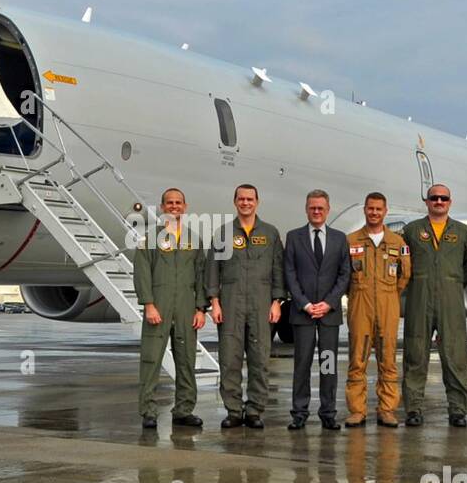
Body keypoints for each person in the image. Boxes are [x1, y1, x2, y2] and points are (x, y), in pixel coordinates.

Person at [208, 183, 285, 429]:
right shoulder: (223, 234)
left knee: (259, 359)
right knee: (229, 359)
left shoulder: (270, 233)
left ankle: (254, 410)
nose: (245, 203)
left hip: (261, 303)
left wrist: (277, 302)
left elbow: (278, 270)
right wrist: (214, 302)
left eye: (250, 199)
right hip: (230, 304)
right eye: (241, 199)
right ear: (235, 202)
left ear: (257, 202)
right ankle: (233, 410)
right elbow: (212, 270)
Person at [401, 183, 467, 427]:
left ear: (450, 202)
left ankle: (457, 410)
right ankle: (413, 409)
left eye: (444, 198)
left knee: (455, 356)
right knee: (415, 355)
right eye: (434, 198)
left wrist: (452, 282)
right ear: (427, 201)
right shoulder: (412, 230)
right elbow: (403, 262)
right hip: (419, 299)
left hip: (450, 301)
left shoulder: (463, 232)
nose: (439, 202)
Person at [135, 188, 208, 430]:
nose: (174, 206)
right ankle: (148, 411)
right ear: (163, 207)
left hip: (187, 309)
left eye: (178, 203)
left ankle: (184, 410)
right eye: (169, 203)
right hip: (159, 307)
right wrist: (148, 304)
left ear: (184, 207)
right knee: (151, 360)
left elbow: (201, 276)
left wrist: (200, 309)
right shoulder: (149, 239)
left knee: (186, 361)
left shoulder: (193, 240)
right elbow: (142, 272)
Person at [344, 192, 411, 427]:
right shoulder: (351, 241)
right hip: (360, 305)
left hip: (387, 305)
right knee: (357, 359)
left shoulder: (397, 243)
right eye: (370, 208)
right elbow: (343, 275)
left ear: (385, 211)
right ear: (365, 210)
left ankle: (387, 409)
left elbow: (405, 275)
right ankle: (357, 410)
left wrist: (389, 293)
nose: (374, 213)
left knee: (388, 359)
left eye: (378, 209)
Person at [283, 190, 349, 430]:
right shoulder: (293, 237)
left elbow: (345, 275)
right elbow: (289, 274)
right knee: (302, 365)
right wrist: (305, 304)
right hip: (303, 315)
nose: (317, 211)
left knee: (328, 365)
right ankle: (299, 413)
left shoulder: (340, 239)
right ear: (306, 209)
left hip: (329, 316)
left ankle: (328, 411)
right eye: (312, 207)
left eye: (321, 208)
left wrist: (329, 303)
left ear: (328, 209)